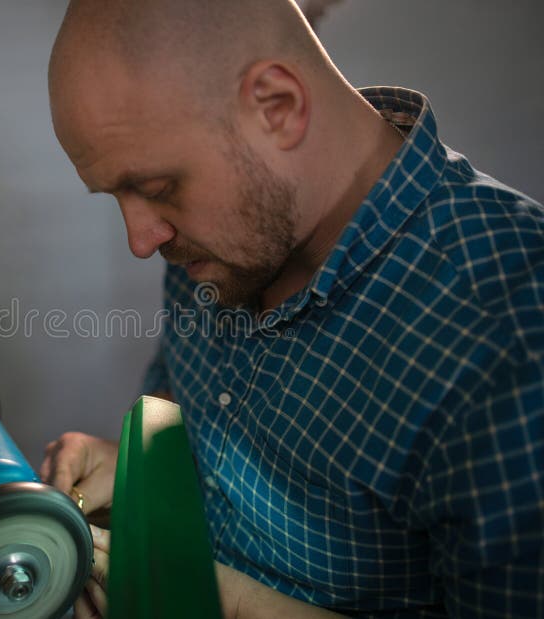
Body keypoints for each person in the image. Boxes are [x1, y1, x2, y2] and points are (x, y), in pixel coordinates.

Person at [42, 1, 544, 617]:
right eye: (115, 195)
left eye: (155, 188)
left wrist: (226, 605)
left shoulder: (515, 334)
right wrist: (134, 476)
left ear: (278, 108)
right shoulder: (219, 247)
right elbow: (183, 418)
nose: (141, 240)